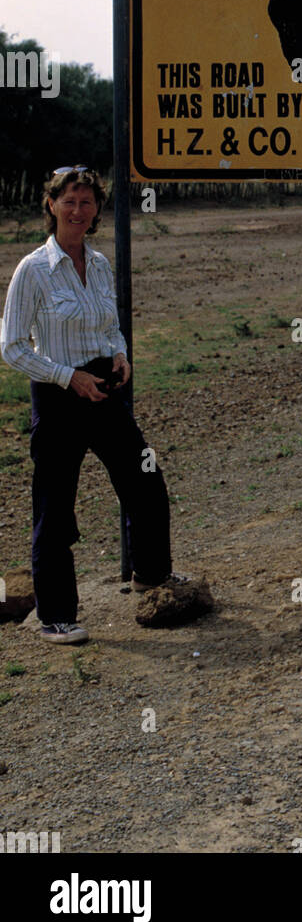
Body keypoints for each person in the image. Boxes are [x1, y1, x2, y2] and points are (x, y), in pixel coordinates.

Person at [0, 166, 187, 644]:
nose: (78, 211)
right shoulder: (33, 269)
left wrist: (120, 353)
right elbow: (12, 347)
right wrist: (69, 378)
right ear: (51, 205)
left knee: (145, 481)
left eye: (86, 202)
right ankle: (56, 616)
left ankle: (151, 575)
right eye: (69, 201)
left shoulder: (100, 264)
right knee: (55, 508)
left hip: (105, 390)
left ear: (97, 209)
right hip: (60, 396)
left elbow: (110, 323)